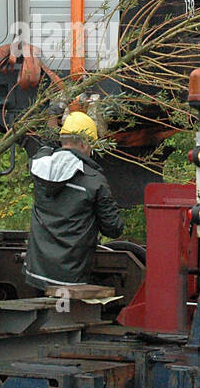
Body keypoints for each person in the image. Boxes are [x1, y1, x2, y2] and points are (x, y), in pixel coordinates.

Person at [23, 111, 124, 291]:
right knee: (64, 317)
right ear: (85, 144)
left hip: (35, 272)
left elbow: (45, 147)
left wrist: (53, 115)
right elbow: (114, 229)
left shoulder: (38, 166)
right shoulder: (94, 182)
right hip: (70, 278)